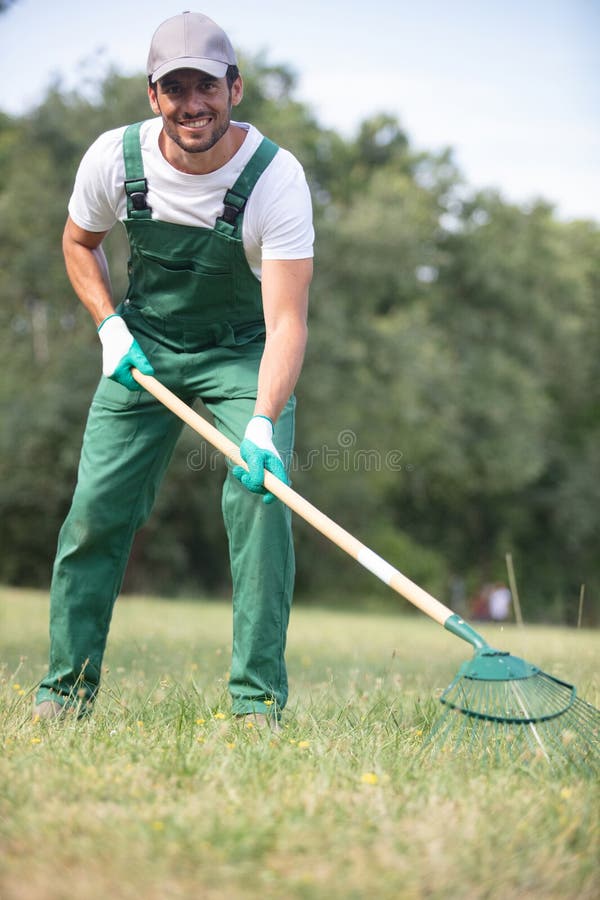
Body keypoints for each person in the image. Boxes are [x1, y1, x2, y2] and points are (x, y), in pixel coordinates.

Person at [33, 11, 314, 729]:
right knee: (95, 511)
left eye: (208, 86)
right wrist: (109, 325)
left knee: (261, 502)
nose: (194, 103)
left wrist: (260, 423)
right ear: (153, 94)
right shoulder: (113, 158)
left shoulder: (275, 179)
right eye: (176, 87)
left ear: (236, 87)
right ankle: (65, 695)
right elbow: (78, 242)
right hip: (143, 348)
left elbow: (286, 322)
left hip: (240, 353)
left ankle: (256, 707)